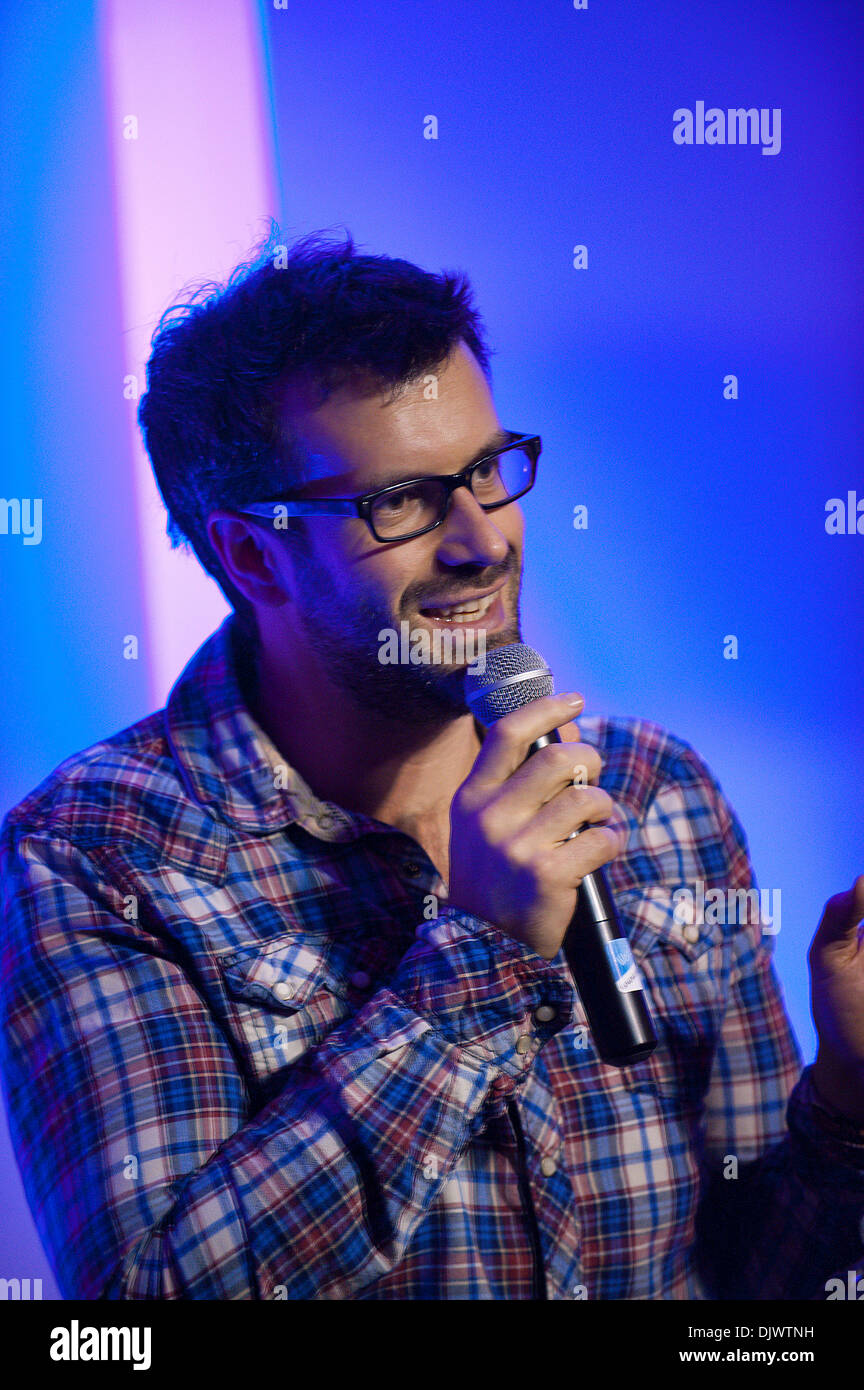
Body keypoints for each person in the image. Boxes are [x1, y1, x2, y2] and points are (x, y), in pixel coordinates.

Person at [1, 227, 863, 1301]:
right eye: (400, 501)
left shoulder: (657, 794)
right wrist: (479, 956)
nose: (482, 538)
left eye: (488, 471)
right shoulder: (98, 857)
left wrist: (846, 1103)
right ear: (252, 554)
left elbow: (755, 1300)